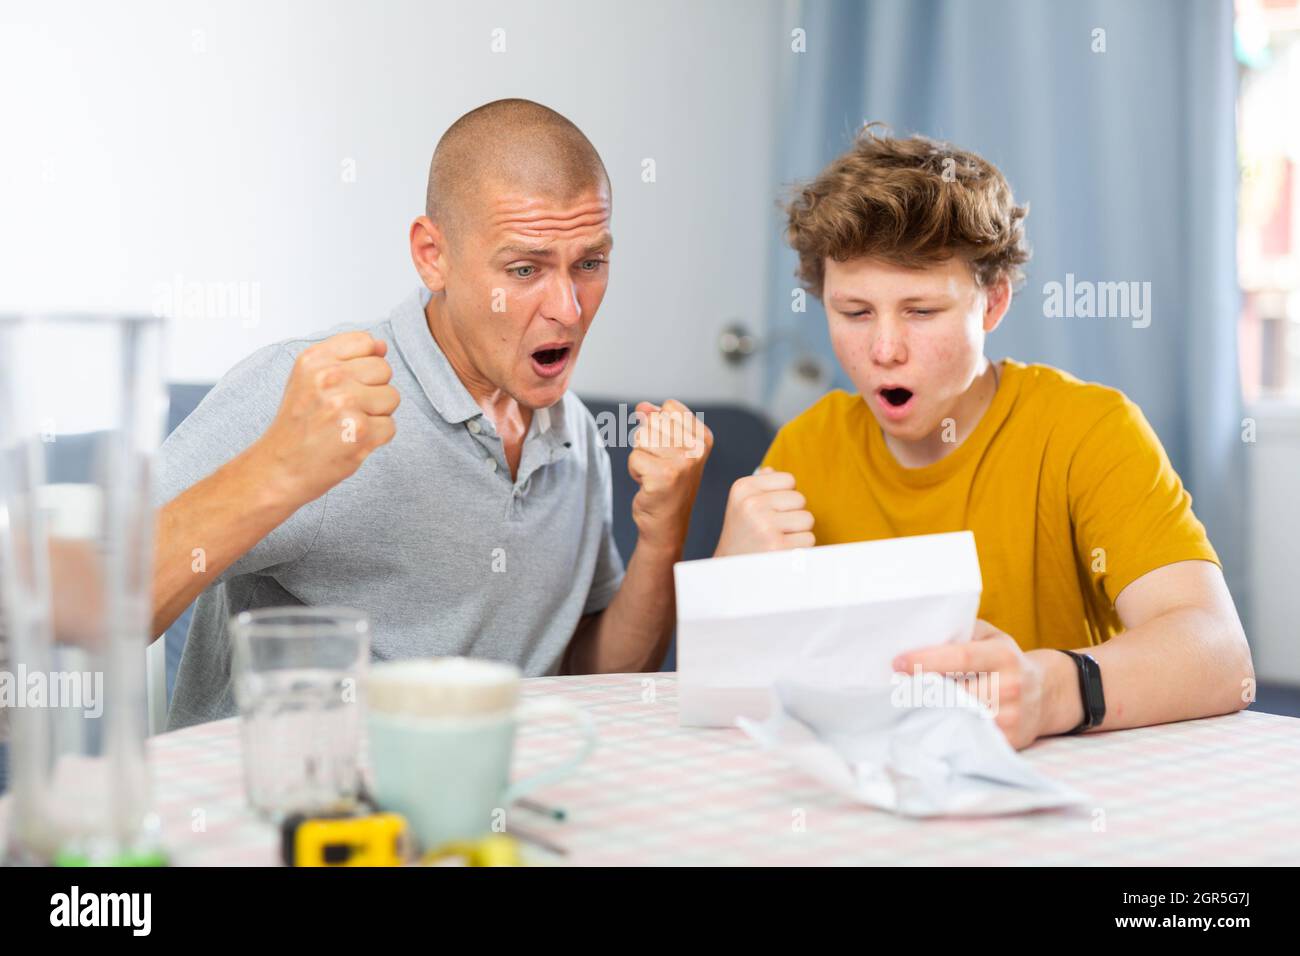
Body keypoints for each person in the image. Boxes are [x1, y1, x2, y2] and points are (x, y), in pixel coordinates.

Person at [152, 99, 712, 730]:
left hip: (482, 808)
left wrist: (665, 533)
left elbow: (593, 676)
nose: (569, 309)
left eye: (589, 264)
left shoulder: (575, 432)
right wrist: (274, 472)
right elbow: (91, 608)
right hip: (289, 808)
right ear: (431, 255)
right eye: (524, 268)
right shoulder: (309, 391)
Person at [713, 125, 1253, 749]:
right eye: (854, 313)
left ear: (992, 303)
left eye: (922, 311)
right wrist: (732, 574)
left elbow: (1219, 654)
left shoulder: (1088, 429)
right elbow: (735, 697)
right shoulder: (805, 447)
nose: (884, 350)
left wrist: (1053, 688)